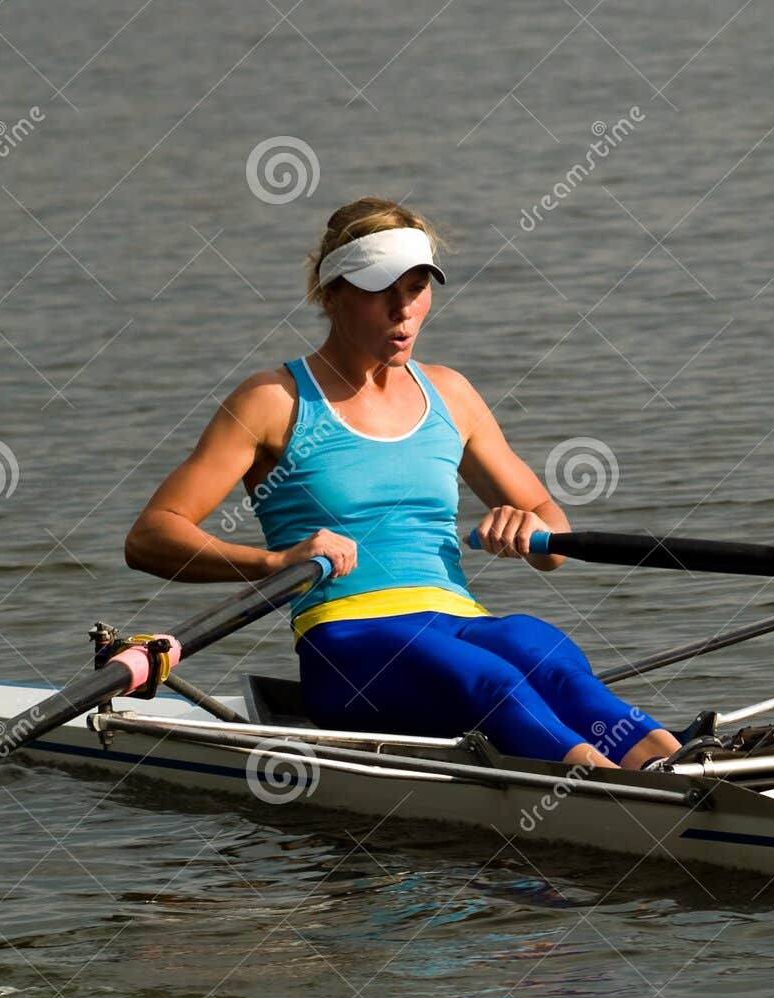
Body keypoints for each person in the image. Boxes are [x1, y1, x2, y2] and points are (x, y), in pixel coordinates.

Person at [125, 197, 680, 770]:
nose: (404, 310)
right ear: (331, 293)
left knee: (547, 654)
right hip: (347, 646)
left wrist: (530, 527)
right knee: (489, 679)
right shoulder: (272, 402)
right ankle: (626, 800)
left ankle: (681, 769)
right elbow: (150, 537)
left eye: (417, 287)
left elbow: (551, 533)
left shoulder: (452, 394)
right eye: (380, 289)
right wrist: (276, 564)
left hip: (459, 620)